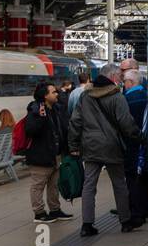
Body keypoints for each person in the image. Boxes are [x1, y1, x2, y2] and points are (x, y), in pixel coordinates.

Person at [69, 62, 142, 236]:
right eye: (118, 77)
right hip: (112, 146)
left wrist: (73, 146)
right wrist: (139, 137)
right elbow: (126, 123)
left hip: (91, 146)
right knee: (119, 183)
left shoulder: (85, 96)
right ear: (112, 77)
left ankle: (87, 225)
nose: (120, 80)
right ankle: (125, 221)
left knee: (89, 185)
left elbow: (75, 121)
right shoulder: (117, 97)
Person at [23, 81, 73, 223]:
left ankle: (55, 210)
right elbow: (30, 130)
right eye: (53, 92)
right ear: (45, 96)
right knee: (38, 185)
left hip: (55, 154)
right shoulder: (35, 110)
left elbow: (61, 129)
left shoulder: (55, 108)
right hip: (40, 155)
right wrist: (41, 118)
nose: (57, 94)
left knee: (54, 184)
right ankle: (39, 213)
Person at [122, 67, 148, 221]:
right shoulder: (146, 95)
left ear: (131, 82)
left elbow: (126, 123)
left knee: (133, 178)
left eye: (125, 82)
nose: (124, 85)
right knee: (144, 176)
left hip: (133, 142)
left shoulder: (129, 99)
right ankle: (145, 209)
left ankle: (136, 211)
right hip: (145, 142)